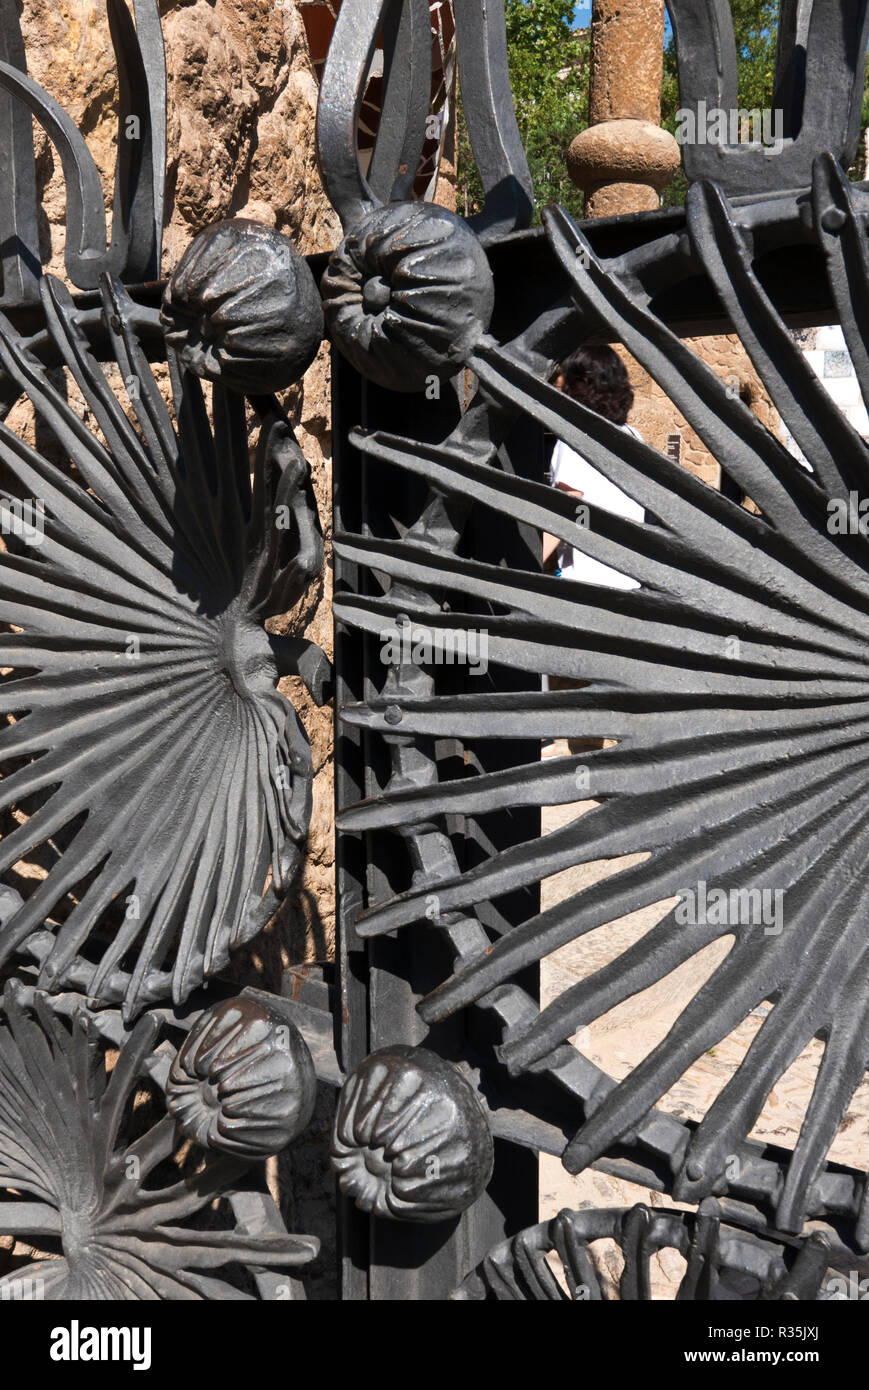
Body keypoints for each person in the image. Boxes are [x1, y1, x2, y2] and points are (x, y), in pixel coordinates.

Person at [542, 344, 644, 589]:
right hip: (629, 581)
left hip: (586, 582)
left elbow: (566, 504)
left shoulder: (577, 439)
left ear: (581, 385)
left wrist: (540, 565)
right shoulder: (633, 437)